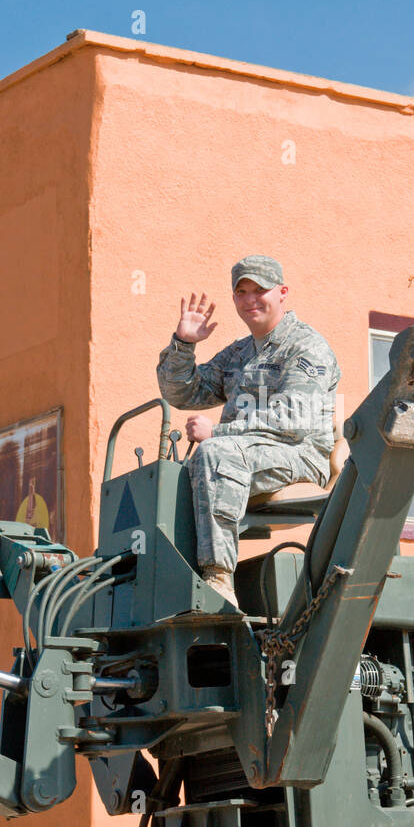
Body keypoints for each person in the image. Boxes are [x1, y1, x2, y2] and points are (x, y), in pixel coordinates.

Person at [157, 255, 340, 608]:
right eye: (242, 292)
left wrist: (220, 432)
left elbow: (295, 419)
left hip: (299, 455)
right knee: (167, 478)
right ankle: (171, 587)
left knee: (214, 455)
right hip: (244, 455)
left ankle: (218, 582)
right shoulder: (241, 352)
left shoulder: (307, 346)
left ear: (282, 293)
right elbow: (182, 392)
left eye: (260, 290)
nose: (251, 299)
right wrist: (183, 344)